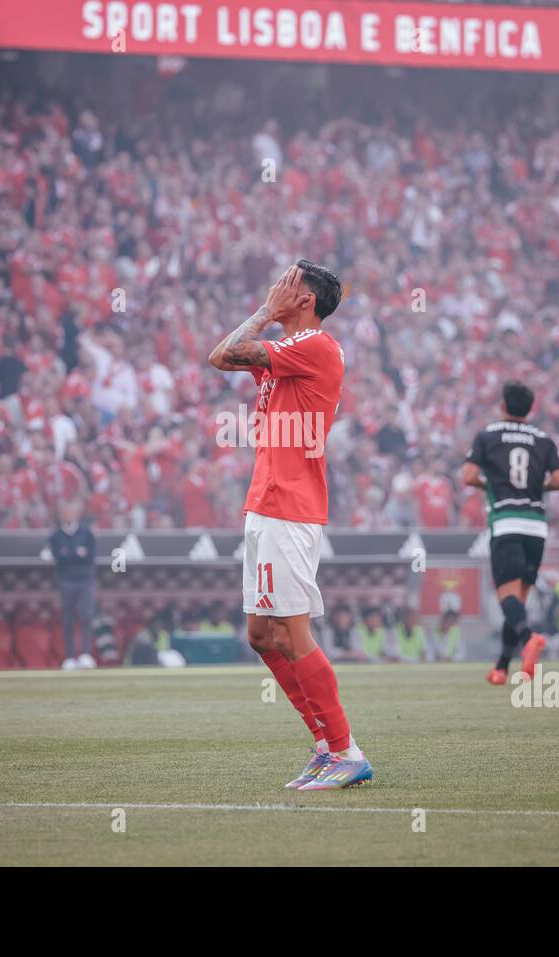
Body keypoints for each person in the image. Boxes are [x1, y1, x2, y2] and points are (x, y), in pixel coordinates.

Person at [208, 261, 371, 790]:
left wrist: (263, 313)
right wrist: (270, 316)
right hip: (266, 503)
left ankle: (345, 750)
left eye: (287, 282)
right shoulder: (289, 354)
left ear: (305, 300)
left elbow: (229, 352)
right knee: (261, 634)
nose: (276, 285)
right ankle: (325, 744)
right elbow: (221, 357)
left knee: (293, 633)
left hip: (290, 506)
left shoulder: (316, 346)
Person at [460, 380, 559, 685]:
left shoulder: (488, 435)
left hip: (506, 522)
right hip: (536, 526)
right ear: (531, 409)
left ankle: (529, 637)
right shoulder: (543, 439)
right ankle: (502, 667)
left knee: (507, 597)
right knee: (518, 600)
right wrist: (537, 486)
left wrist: (491, 484)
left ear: (503, 406)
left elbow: (468, 476)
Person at [49, 499, 97, 669]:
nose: (68, 515)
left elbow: (90, 556)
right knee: (68, 619)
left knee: (86, 615)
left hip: (85, 580)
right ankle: (69, 656)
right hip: (66, 580)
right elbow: (58, 557)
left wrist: (69, 553)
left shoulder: (86, 533)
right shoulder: (56, 536)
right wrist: (76, 553)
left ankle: (85, 653)